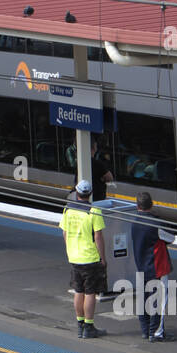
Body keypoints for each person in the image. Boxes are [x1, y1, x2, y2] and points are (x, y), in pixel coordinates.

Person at [61, 179, 107, 338]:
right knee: (90, 292)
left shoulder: (68, 209)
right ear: (90, 193)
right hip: (90, 257)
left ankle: (80, 324)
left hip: (74, 257)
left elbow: (65, 233)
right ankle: (89, 326)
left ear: (76, 192)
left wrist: (70, 250)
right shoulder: (93, 210)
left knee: (78, 290)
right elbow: (98, 236)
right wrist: (103, 258)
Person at [131, 193, 169, 341]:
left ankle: (145, 330)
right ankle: (156, 333)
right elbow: (170, 237)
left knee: (143, 299)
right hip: (157, 268)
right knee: (158, 301)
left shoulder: (134, 222)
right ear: (151, 205)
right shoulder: (155, 223)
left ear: (137, 206)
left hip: (140, 266)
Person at [91, 137, 115, 203]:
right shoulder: (98, 164)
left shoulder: (81, 161)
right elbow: (110, 178)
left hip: (87, 196)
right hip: (97, 197)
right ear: (94, 148)